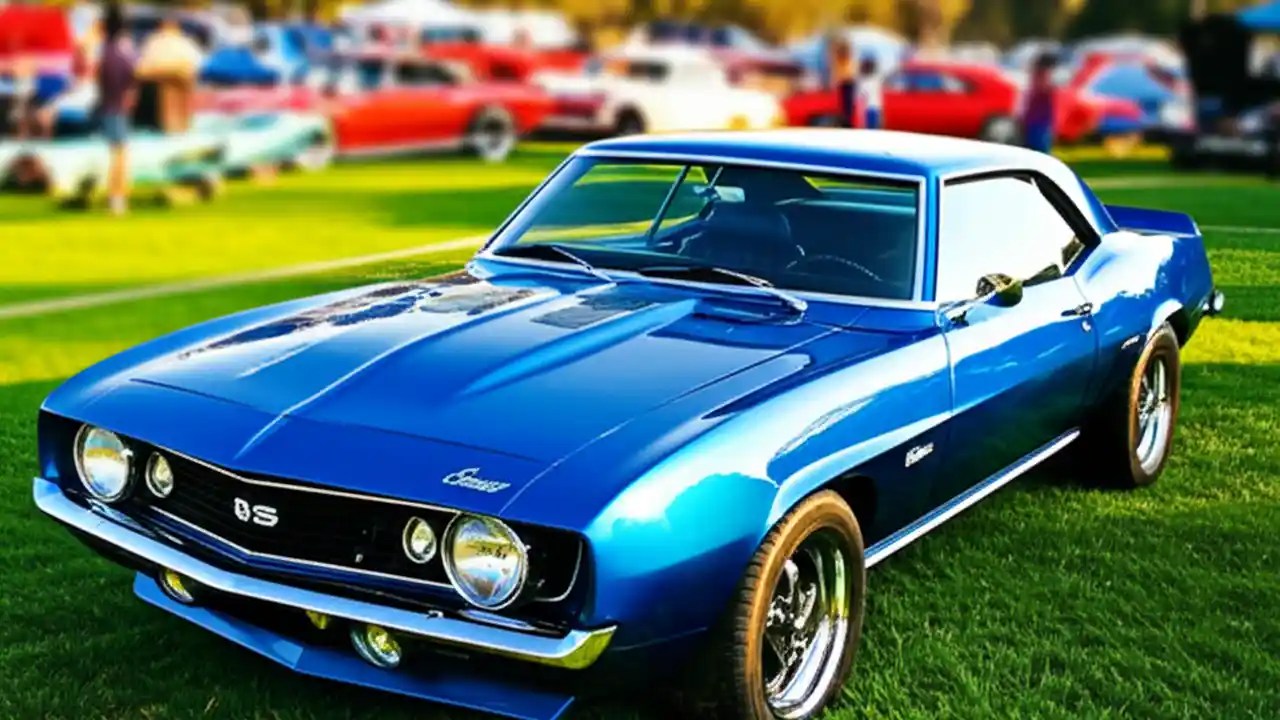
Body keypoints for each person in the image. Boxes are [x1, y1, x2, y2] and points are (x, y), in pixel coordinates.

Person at [98, 3, 136, 216]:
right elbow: (133, 73)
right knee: (120, 153)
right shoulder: (121, 51)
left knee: (117, 152)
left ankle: (116, 196)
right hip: (117, 107)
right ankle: (117, 197)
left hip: (109, 105)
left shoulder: (106, 51)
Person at [136, 14, 202, 133]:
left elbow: (142, 68)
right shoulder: (161, 41)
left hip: (170, 77)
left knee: (172, 94)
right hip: (171, 77)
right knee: (171, 95)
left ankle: (175, 127)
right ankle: (176, 127)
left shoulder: (157, 42)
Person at [1022, 53, 1058, 154]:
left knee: (1037, 150)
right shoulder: (1041, 76)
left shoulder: (1041, 76)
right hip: (1037, 122)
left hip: (1039, 122)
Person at [829, 37, 857, 128]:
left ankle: (846, 121)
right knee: (846, 104)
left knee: (847, 103)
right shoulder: (842, 58)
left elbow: (846, 71)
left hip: (847, 81)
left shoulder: (844, 58)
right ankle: (846, 120)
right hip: (846, 81)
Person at [858, 56, 883, 130]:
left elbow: (861, 97)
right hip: (876, 108)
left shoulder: (863, 82)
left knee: (869, 130)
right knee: (875, 129)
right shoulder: (876, 80)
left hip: (868, 109)